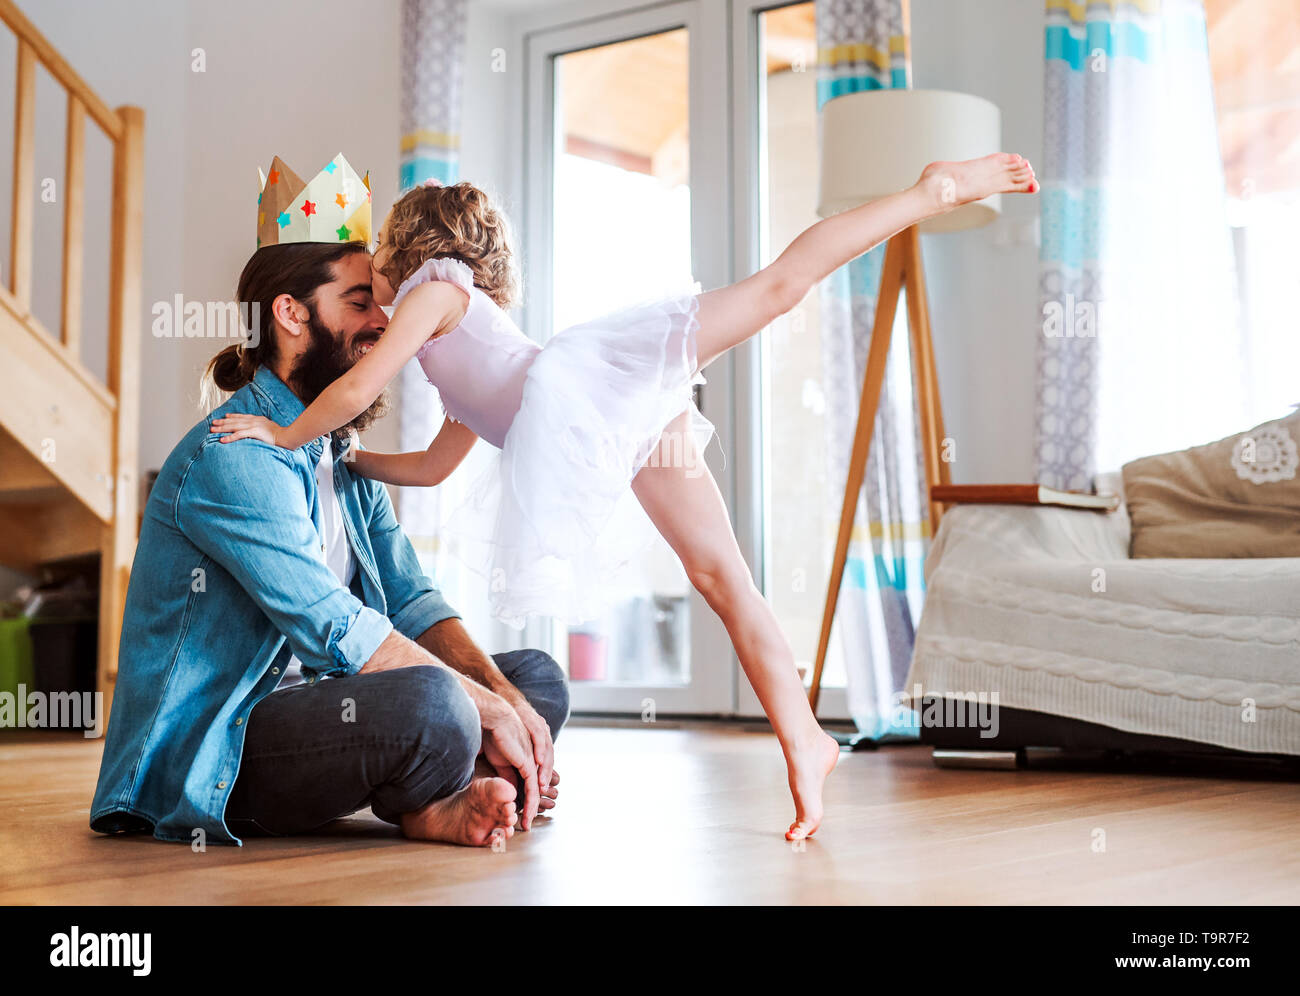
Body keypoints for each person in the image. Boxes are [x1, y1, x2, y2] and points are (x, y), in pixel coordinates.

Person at [213, 152, 1040, 840]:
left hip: (599, 386)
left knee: (776, 289)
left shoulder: (436, 286)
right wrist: (350, 463)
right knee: (723, 579)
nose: (371, 300)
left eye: (371, 280)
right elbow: (431, 467)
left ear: (407, 248)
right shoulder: (451, 352)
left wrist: (286, 436)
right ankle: (807, 743)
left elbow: (359, 383)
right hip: (605, 423)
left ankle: (929, 190)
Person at [91, 162, 567, 847]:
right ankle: (443, 785)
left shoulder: (339, 455)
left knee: (532, 680)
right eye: (360, 302)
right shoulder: (234, 456)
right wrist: (480, 707)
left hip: (331, 706)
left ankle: (442, 792)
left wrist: (502, 697)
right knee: (439, 701)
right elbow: (333, 625)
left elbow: (410, 598)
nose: (385, 322)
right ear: (291, 315)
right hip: (216, 747)